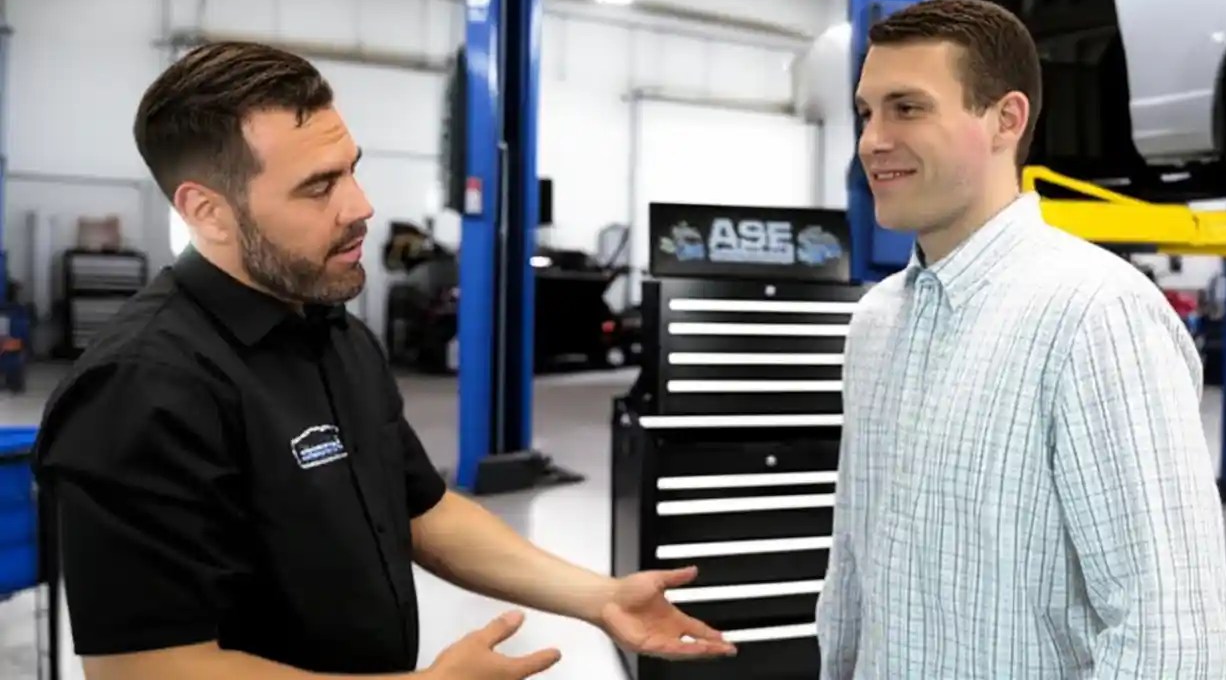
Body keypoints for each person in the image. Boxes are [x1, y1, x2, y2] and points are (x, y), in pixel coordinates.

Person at [32, 41, 736, 680]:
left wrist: (599, 595)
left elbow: (420, 511)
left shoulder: (331, 330)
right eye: (318, 186)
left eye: (352, 172)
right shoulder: (142, 388)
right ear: (208, 213)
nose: (361, 206)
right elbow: (146, 670)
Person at [816, 0, 1226, 679]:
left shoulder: (1096, 317)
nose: (872, 140)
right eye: (867, 112)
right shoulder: (877, 321)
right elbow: (854, 574)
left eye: (908, 107)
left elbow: (1173, 637)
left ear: (1005, 120)